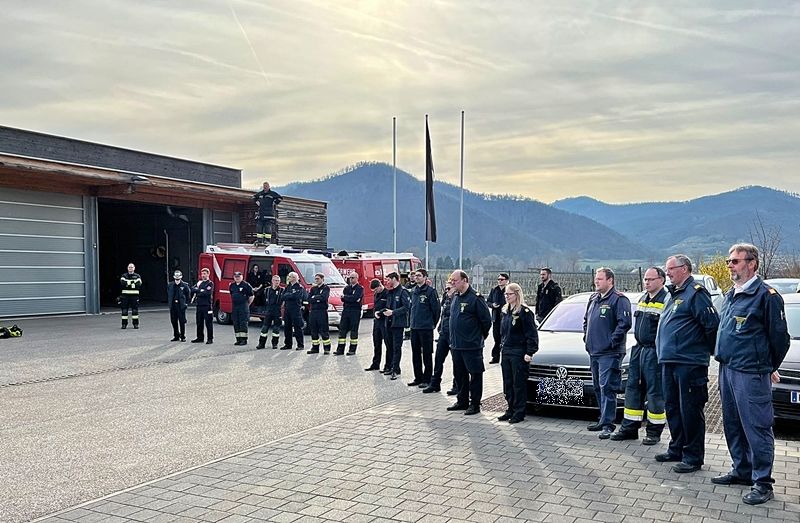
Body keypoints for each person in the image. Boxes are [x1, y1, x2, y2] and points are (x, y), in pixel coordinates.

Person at [712, 243, 790, 505]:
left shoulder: (766, 296)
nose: (730, 265)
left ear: (752, 264)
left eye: (735, 261)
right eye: (729, 261)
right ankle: (742, 470)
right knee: (732, 423)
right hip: (727, 368)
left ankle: (763, 482)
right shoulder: (732, 293)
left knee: (757, 427)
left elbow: (780, 339)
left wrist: (768, 366)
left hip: (751, 373)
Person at [656, 254, 720, 473]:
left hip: (689, 363)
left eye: (671, 269)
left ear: (684, 269)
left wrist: (705, 353)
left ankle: (693, 456)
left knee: (690, 409)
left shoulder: (696, 293)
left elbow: (711, 326)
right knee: (673, 407)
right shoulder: (673, 294)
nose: (668, 273)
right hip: (670, 362)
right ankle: (677, 448)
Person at [610, 267, 667, 444]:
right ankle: (629, 428)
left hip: (654, 351)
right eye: (645, 279)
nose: (647, 282)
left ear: (662, 280)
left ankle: (654, 431)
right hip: (639, 350)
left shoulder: (666, 300)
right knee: (633, 389)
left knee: (655, 393)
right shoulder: (644, 298)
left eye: (651, 279)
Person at [584, 267, 632, 439]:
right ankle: (602, 418)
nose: (596, 281)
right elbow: (586, 320)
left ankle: (608, 424)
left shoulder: (619, 300)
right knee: (598, 387)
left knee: (608, 388)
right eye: (596, 279)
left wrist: (611, 341)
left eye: (600, 279)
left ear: (610, 280)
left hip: (609, 353)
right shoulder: (593, 298)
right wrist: (586, 338)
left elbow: (624, 323)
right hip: (594, 352)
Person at [447, 270, 492, 415]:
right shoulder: (455, 297)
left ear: (465, 280)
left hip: (471, 345)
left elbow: (486, 321)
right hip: (456, 345)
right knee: (459, 375)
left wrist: (478, 337)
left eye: (455, 280)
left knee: (475, 375)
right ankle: (462, 400)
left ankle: (475, 404)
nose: (452, 283)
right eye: (451, 280)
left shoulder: (475, 298)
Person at [498, 283, 539, 423]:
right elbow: (503, 332)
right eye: (505, 294)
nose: (507, 297)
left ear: (517, 294)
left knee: (518, 384)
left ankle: (519, 412)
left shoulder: (524, 312)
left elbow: (532, 334)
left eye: (509, 294)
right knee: (507, 383)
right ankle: (510, 409)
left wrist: (530, 352)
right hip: (507, 350)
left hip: (518, 352)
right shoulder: (506, 311)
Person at [423, 280, 457, 394]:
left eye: (449, 289)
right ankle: (435, 383)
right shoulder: (446, 299)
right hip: (444, 333)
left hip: (454, 335)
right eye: (445, 289)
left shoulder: (457, 300)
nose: (446, 291)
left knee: (456, 362)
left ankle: (456, 385)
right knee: (438, 360)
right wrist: (439, 328)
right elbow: (442, 314)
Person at [408, 269, 441, 387]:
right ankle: (418, 377)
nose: (416, 277)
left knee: (426, 354)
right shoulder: (414, 291)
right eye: (415, 275)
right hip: (414, 327)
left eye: (419, 276)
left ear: (425, 277)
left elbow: (436, 310)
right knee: (415, 353)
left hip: (426, 327)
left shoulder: (430, 291)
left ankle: (427, 379)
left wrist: (432, 324)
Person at [383, 272, 411, 380]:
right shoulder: (390, 292)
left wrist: (393, 312)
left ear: (395, 279)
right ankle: (390, 367)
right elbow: (387, 306)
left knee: (396, 347)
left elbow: (406, 307)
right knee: (389, 346)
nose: (388, 281)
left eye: (389, 279)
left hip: (398, 324)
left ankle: (396, 369)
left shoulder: (403, 292)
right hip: (389, 323)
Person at [365, 278, 389, 371]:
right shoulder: (376, 294)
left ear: (380, 286)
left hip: (384, 321)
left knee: (387, 344)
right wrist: (375, 313)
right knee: (376, 344)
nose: (375, 291)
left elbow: (388, 306)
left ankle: (387, 366)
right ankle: (375, 364)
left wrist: (380, 313)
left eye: (375, 289)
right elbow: (375, 306)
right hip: (377, 322)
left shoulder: (387, 293)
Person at [337, 272, 364, 356]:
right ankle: (340, 349)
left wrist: (346, 298)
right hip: (346, 311)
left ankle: (352, 349)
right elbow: (343, 299)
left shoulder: (360, 288)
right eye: (350, 278)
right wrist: (348, 298)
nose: (351, 279)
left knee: (353, 330)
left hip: (355, 311)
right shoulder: (347, 288)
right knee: (342, 330)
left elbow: (355, 298)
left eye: (353, 278)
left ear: (357, 278)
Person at [256, 275, 284, 350]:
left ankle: (274, 344)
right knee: (264, 328)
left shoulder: (282, 290)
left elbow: (284, 301)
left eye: (278, 281)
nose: (277, 282)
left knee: (276, 329)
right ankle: (261, 344)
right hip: (269, 311)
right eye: (275, 280)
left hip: (277, 311)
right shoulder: (267, 290)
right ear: (272, 281)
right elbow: (263, 299)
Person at [280, 272, 305, 350]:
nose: (288, 278)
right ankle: (288, 344)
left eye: (290, 276)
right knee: (287, 327)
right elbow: (283, 296)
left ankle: (300, 345)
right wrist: (290, 295)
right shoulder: (288, 286)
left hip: (296, 309)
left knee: (297, 327)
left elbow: (297, 296)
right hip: (287, 309)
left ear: (294, 278)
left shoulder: (299, 287)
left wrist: (289, 295)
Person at [487, 273, 509, 364]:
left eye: (502, 279)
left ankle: (505, 358)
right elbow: (488, 301)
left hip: (506, 317)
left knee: (505, 338)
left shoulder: (509, 290)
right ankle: (495, 357)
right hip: (496, 318)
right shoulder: (494, 290)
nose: (500, 281)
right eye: (498, 279)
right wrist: (492, 305)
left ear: (506, 280)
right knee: (497, 338)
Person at [307, 273, 331, 354]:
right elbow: (309, 299)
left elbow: (324, 297)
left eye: (318, 279)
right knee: (314, 330)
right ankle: (315, 348)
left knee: (324, 330)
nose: (316, 280)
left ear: (322, 279)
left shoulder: (326, 288)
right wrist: (317, 298)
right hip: (313, 311)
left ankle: (327, 348)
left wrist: (315, 297)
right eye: (315, 279)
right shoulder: (313, 289)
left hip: (322, 311)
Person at [229, 271, 254, 345]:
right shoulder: (232, 285)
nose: (237, 278)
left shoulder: (246, 285)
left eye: (239, 277)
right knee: (236, 323)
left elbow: (252, 296)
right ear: (234, 277)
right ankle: (238, 339)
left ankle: (244, 340)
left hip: (243, 307)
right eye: (236, 277)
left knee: (243, 323)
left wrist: (247, 304)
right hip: (235, 307)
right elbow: (231, 294)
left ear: (242, 277)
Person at [190, 267, 214, 344]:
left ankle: (210, 338)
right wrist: (200, 290)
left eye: (204, 274)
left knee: (208, 323)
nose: (203, 275)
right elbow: (192, 289)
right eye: (202, 274)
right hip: (199, 306)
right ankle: (200, 337)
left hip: (207, 306)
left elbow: (207, 293)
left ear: (208, 274)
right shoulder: (199, 283)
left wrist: (198, 291)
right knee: (199, 322)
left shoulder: (210, 283)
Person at [167, 270, 191, 342]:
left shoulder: (185, 285)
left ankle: (183, 336)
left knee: (182, 322)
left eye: (178, 276)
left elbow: (188, 295)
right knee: (173, 321)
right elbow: (169, 294)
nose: (177, 277)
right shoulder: (170, 285)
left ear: (181, 276)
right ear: (174, 276)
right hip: (173, 306)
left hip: (181, 306)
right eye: (176, 276)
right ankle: (176, 335)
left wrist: (186, 303)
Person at [119, 262, 142, 329]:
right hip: (125, 296)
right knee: (124, 311)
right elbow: (123, 283)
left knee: (135, 311)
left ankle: (135, 324)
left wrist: (128, 283)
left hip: (134, 296)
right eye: (129, 267)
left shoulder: (137, 276)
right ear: (127, 268)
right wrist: (133, 283)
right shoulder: (124, 276)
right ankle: (124, 324)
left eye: (132, 267)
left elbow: (138, 284)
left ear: (134, 268)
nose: (130, 268)